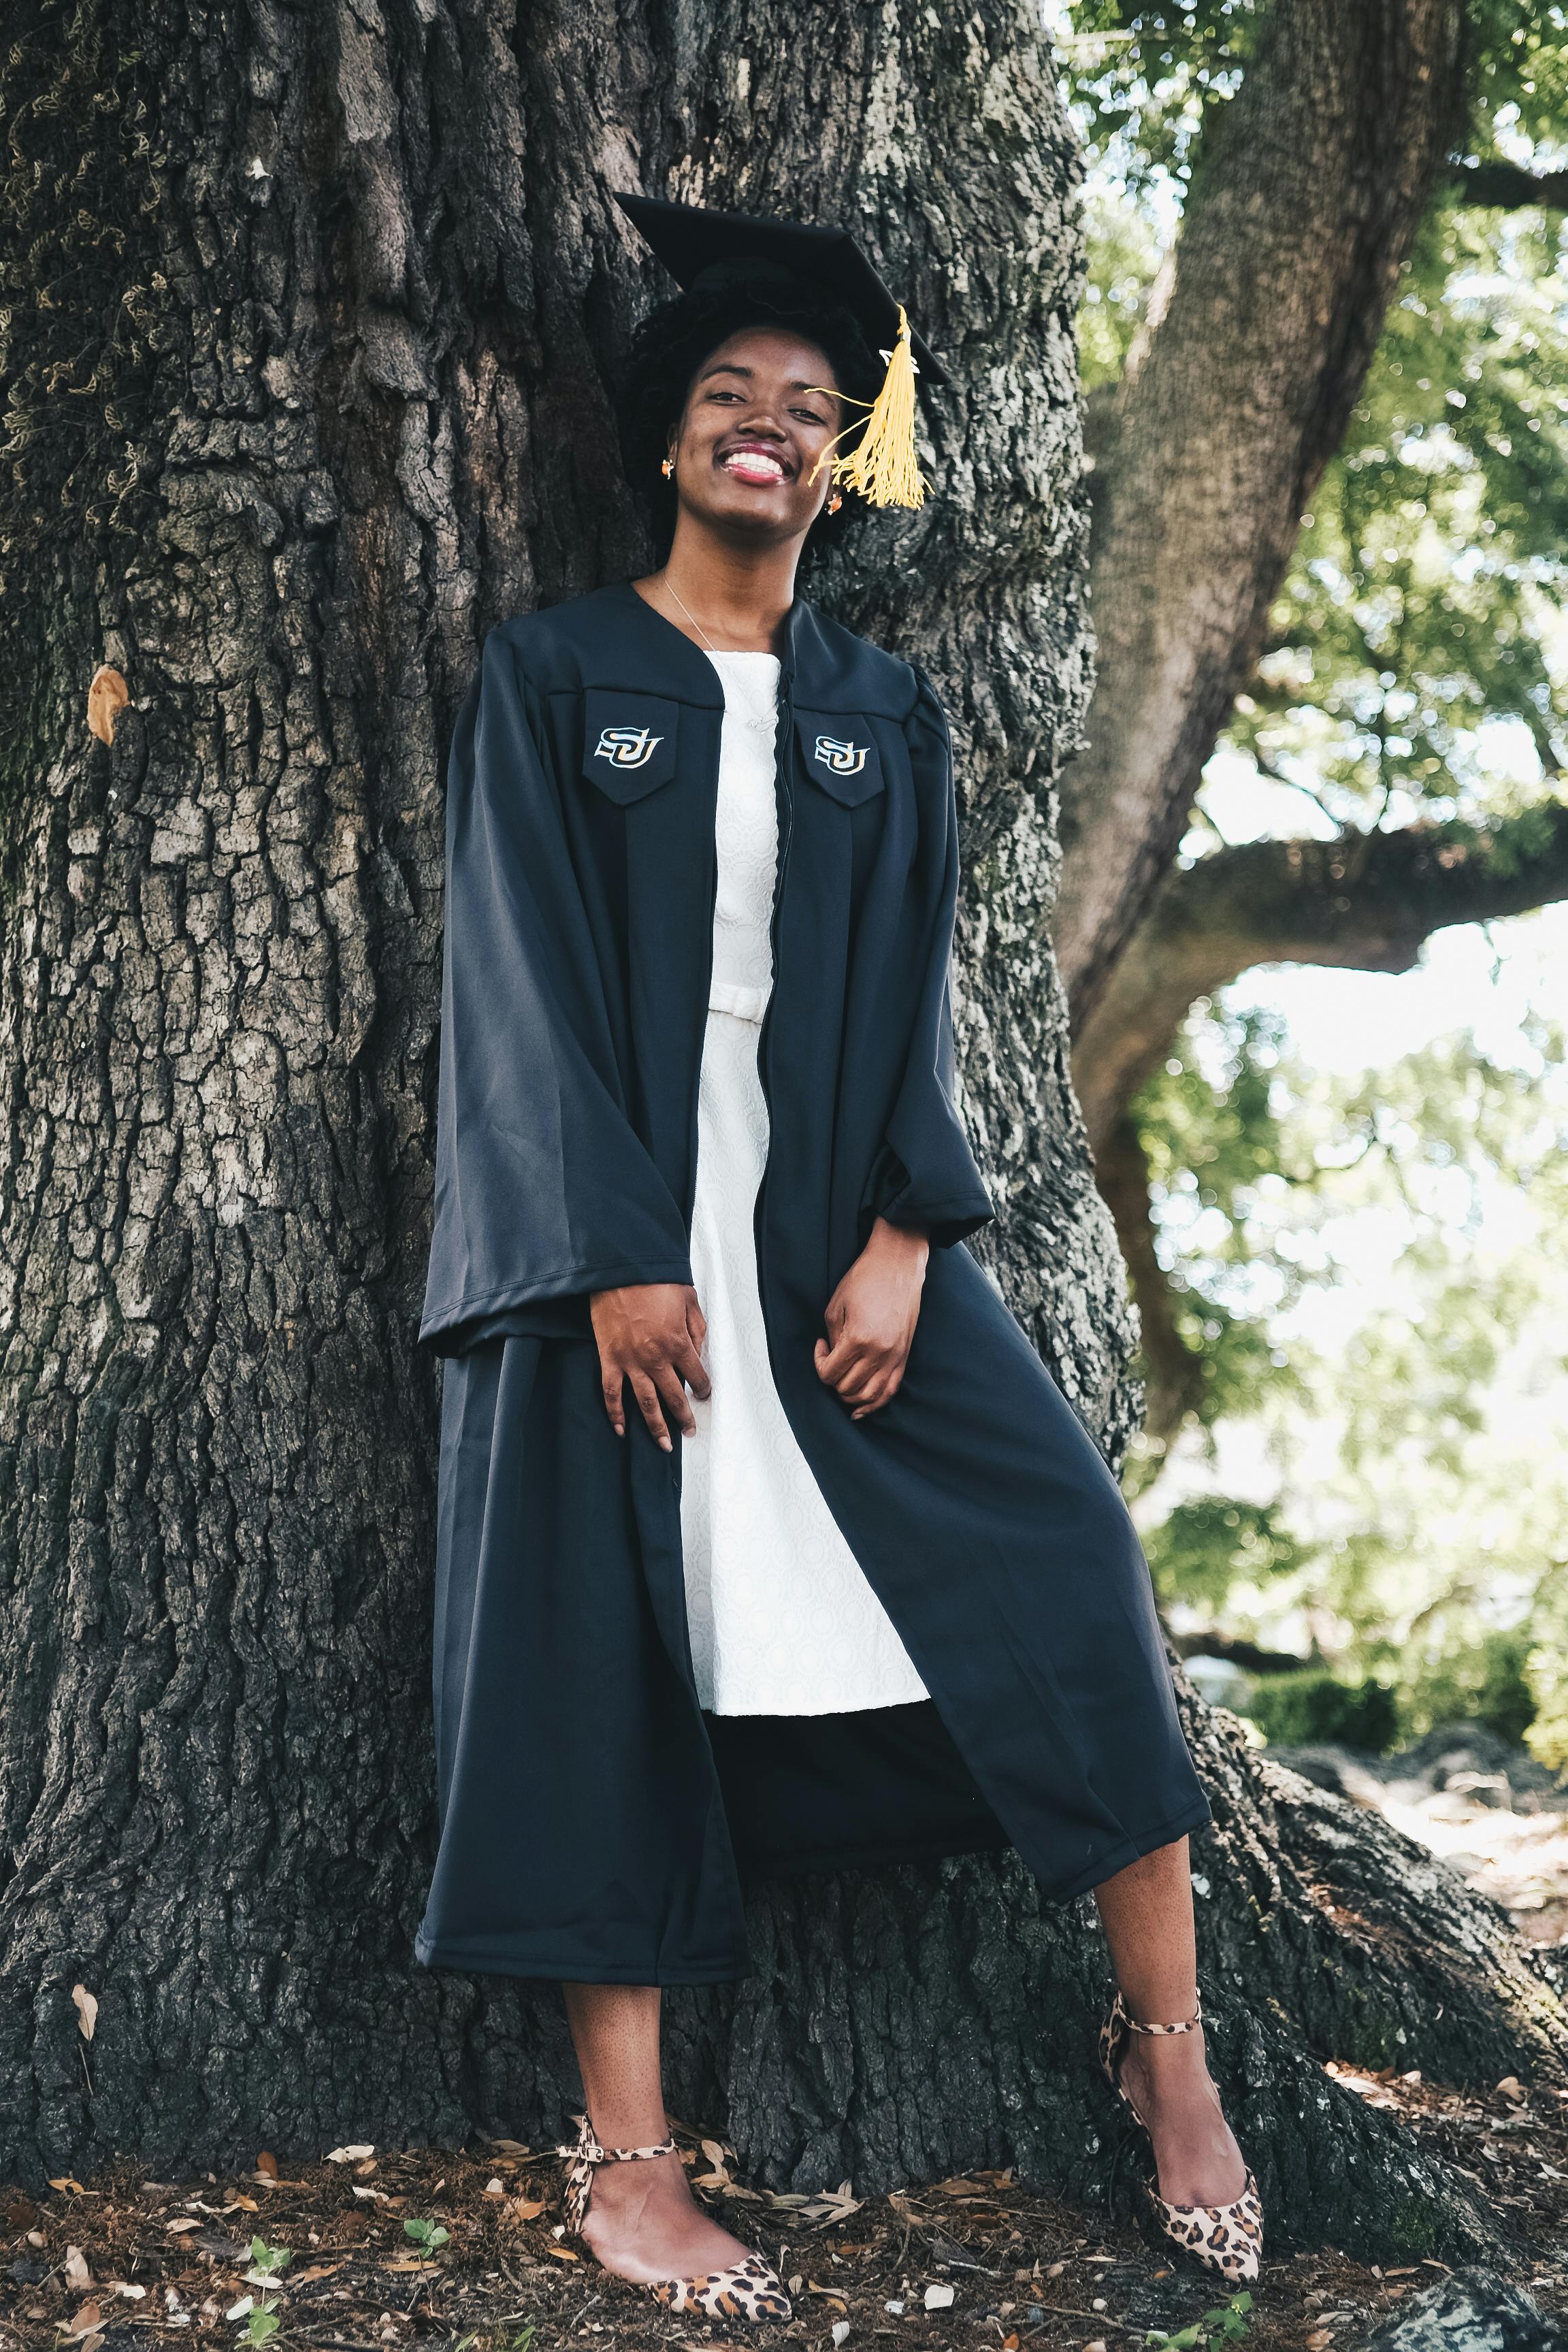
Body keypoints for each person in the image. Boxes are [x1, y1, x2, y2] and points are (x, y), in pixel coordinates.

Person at [413, 194, 1263, 2323]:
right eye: (728, 400)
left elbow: (922, 994)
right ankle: (626, 2168)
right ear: (668, 442)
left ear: (843, 459)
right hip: (606, 1213)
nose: (767, 430)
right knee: (603, 1652)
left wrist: (904, 1235)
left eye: (807, 407)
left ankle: (1171, 2060)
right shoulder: (555, 675)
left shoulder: (883, 709)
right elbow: (507, 979)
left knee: (1069, 1562)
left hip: (823, 1224)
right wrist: (608, 1250)